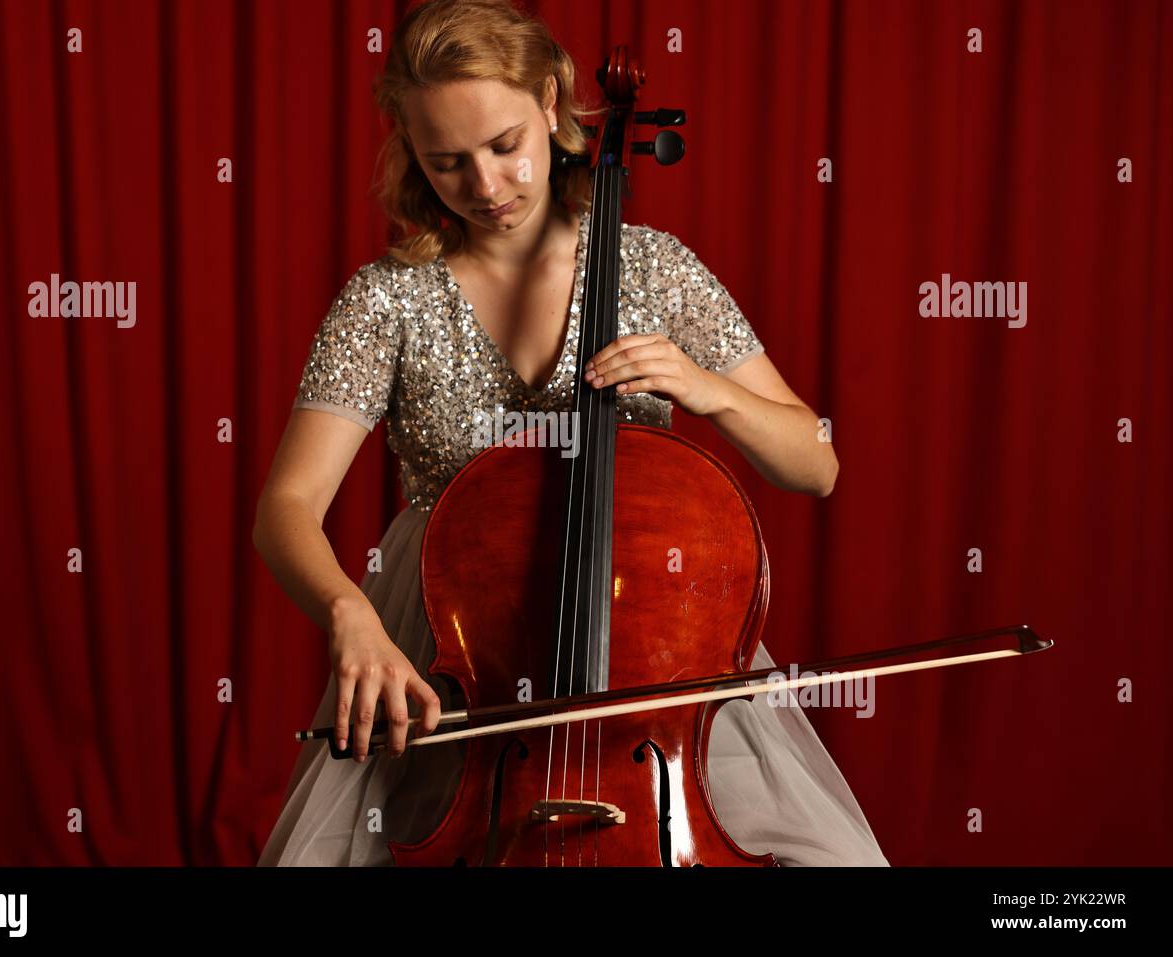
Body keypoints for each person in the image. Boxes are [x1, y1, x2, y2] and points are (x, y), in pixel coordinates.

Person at [255, 0, 887, 867]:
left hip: (644, 668)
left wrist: (702, 388)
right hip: (453, 666)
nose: (485, 186)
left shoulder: (653, 268)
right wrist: (349, 615)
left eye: (504, 145)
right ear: (412, 153)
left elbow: (815, 464)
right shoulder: (386, 303)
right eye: (447, 163)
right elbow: (286, 507)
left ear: (553, 105)